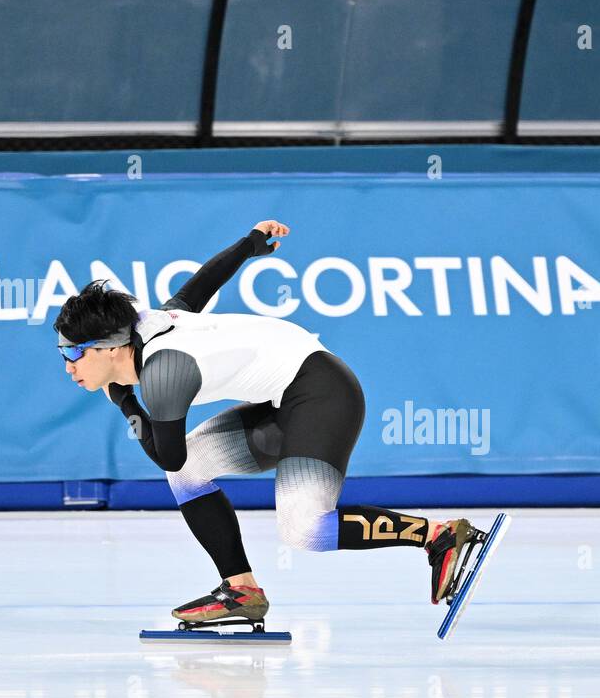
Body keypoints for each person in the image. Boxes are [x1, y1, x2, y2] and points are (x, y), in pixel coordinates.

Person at [54, 220, 485, 625]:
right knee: (188, 473)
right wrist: (249, 245)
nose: (68, 367)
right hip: (285, 399)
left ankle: (439, 534)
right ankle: (242, 590)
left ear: (111, 348)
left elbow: (167, 451)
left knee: (306, 529)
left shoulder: (164, 373)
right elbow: (199, 287)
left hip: (323, 393)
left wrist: (122, 399)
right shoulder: (145, 327)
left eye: (74, 353)